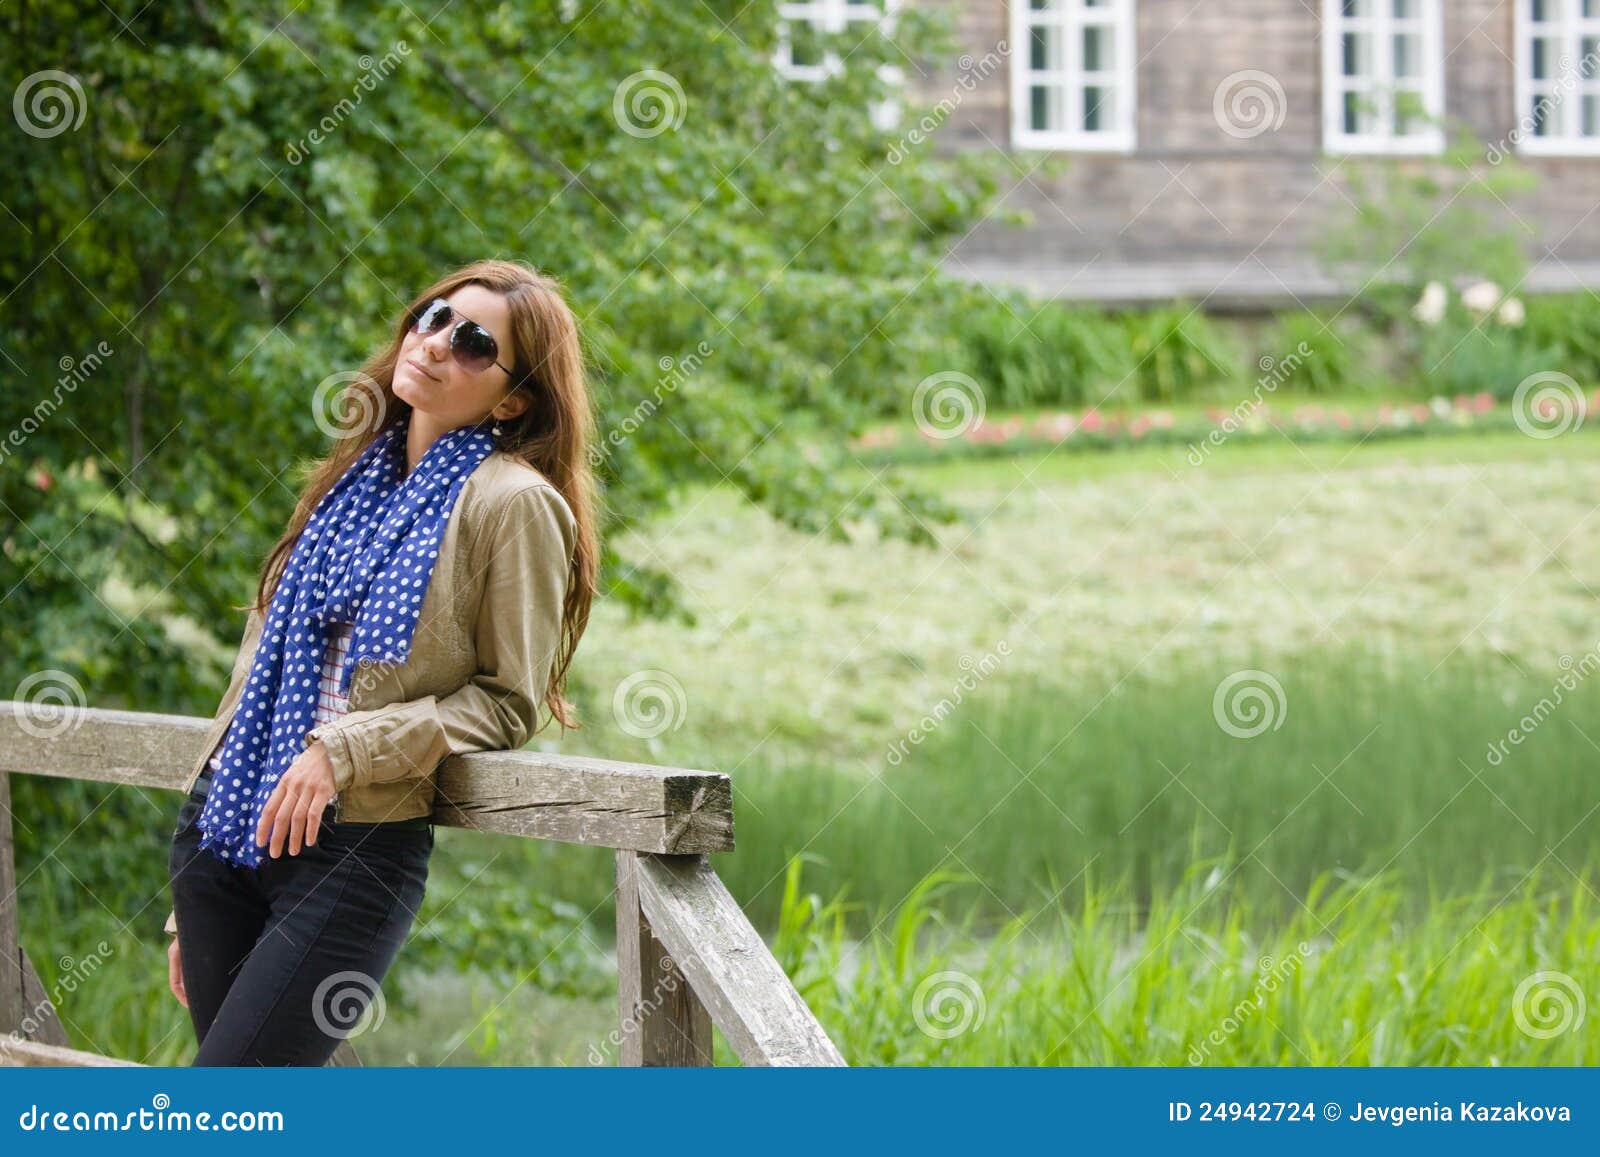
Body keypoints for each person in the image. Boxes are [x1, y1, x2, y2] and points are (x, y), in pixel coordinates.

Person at [165, 259, 598, 1064]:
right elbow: (256, 669)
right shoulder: (342, 483)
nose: (435, 342)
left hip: (354, 847)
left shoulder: (514, 503)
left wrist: (343, 749)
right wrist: (187, 897)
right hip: (225, 830)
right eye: (433, 317)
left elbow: (508, 704)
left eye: (473, 343)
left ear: (512, 399)